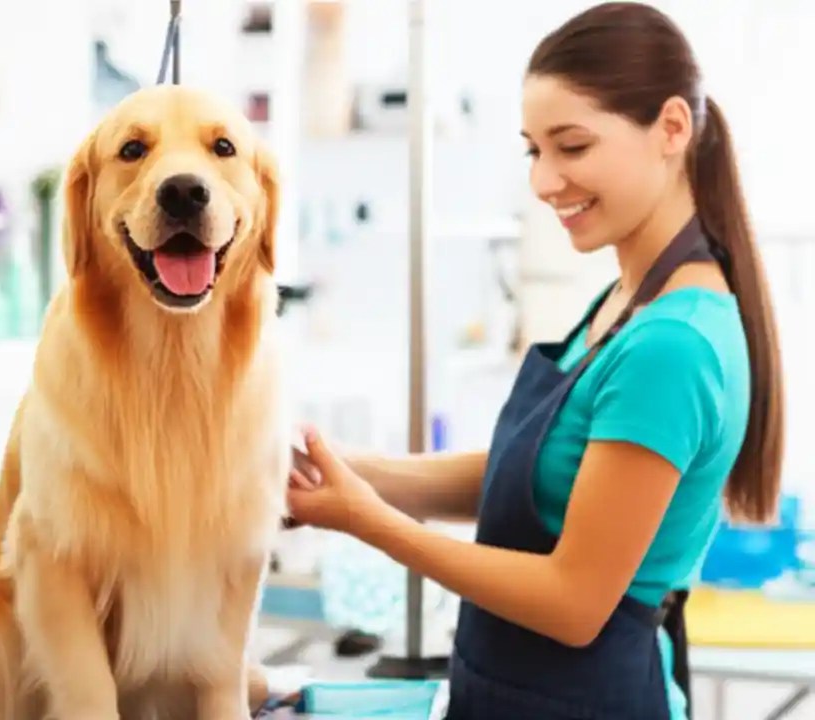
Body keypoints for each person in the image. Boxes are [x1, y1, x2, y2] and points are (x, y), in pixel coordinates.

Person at [285, 3, 785, 719]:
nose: (545, 182)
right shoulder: (627, 302)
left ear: (673, 129)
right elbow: (536, 477)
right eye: (533, 151)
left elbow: (574, 602)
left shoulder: (675, 345)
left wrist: (367, 520)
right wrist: (343, 469)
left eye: (572, 147)